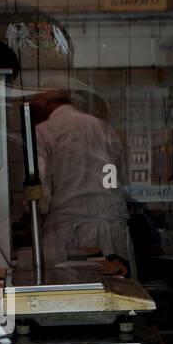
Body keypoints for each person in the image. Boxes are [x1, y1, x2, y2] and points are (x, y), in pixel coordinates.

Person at [28, 89, 131, 269]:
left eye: (34, 100)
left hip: (70, 236)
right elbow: (119, 178)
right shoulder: (103, 127)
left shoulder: (42, 133)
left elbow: (41, 199)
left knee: (76, 294)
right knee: (117, 293)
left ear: (45, 101)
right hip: (114, 231)